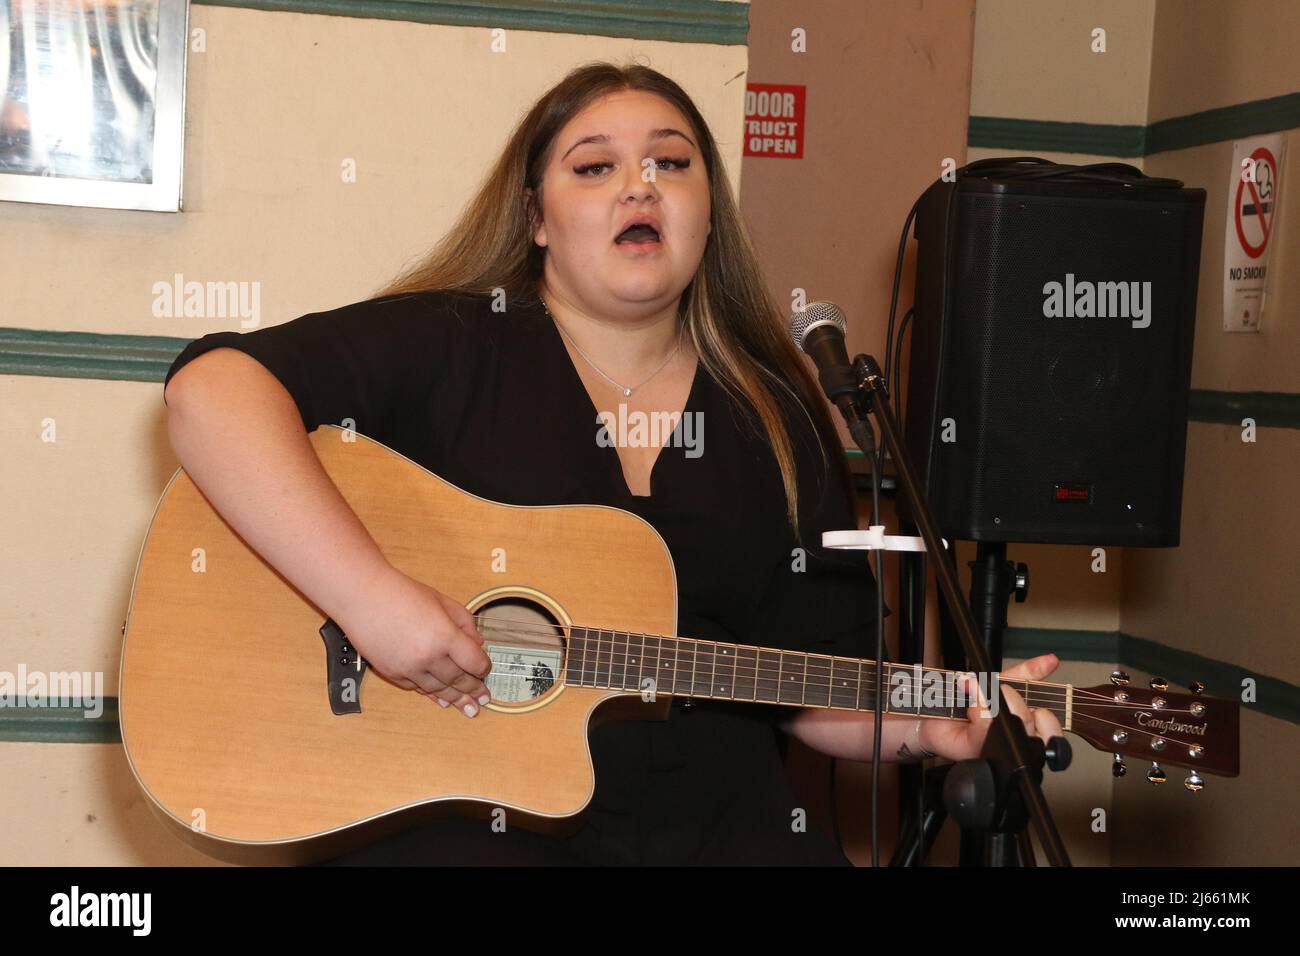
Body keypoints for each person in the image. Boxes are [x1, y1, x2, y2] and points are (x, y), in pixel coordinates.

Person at [162, 62, 1063, 866]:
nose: (641, 184)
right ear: (536, 219)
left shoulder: (776, 412)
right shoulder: (452, 344)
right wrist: (373, 604)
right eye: (595, 167)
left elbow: (807, 683)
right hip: (464, 818)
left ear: (709, 213)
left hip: (718, 824)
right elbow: (211, 393)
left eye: (672, 163)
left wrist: (932, 724)